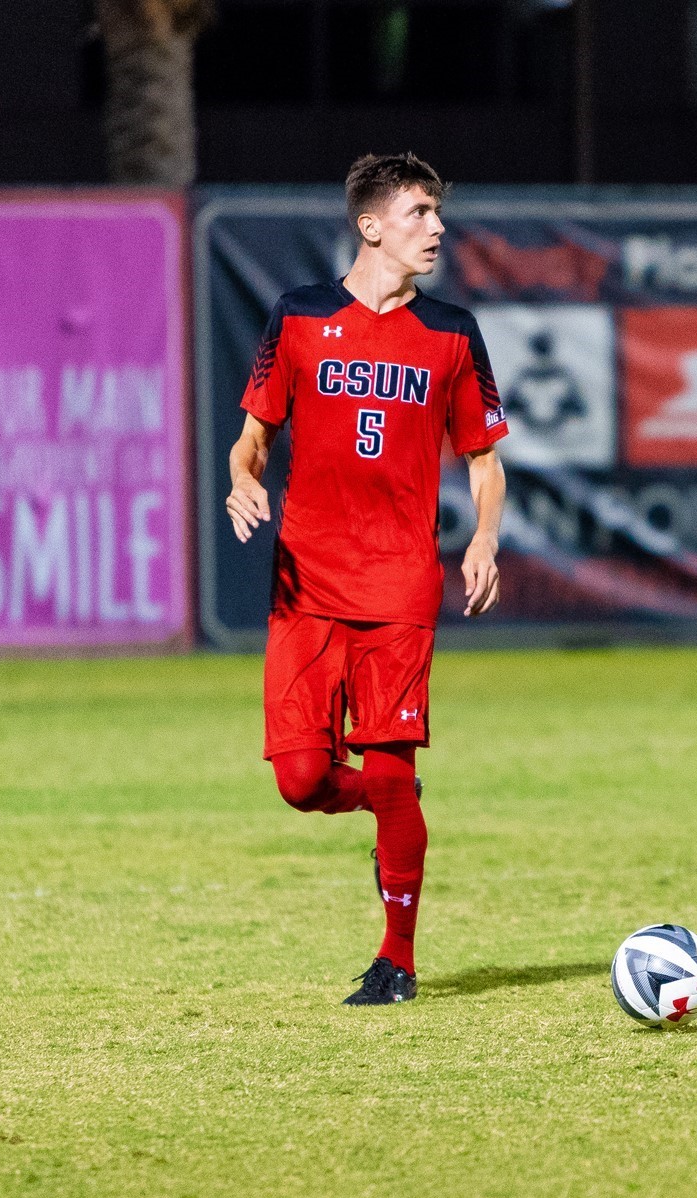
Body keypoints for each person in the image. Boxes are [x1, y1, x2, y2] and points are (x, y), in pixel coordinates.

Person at [224, 151, 507, 1005]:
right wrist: (241, 475)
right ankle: (388, 803)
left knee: (387, 767)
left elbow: (486, 462)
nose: (437, 229)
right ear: (371, 224)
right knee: (302, 781)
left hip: (398, 586)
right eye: (420, 213)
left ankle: (399, 958)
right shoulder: (300, 317)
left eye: (437, 214)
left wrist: (486, 534)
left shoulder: (452, 332)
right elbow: (253, 434)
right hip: (305, 585)